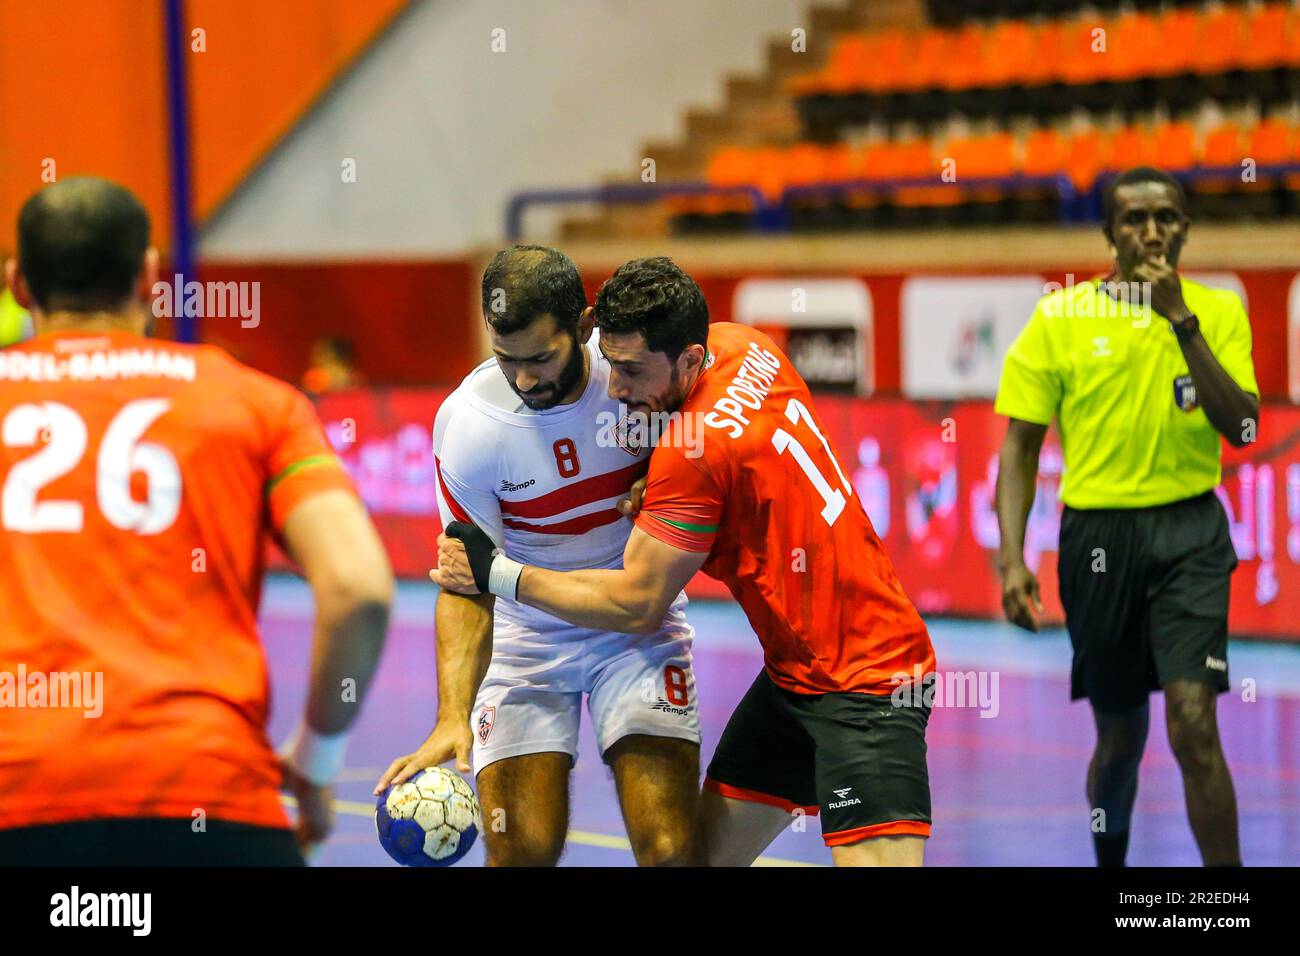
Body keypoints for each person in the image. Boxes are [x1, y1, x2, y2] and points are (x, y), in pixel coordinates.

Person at [435, 256, 936, 867]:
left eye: (632, 372)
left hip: (868, 681)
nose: (617, 391)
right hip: (792, 677)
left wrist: (496, 573)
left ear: (689, 360)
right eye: (613, 366)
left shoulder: (689, 454)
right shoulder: (743, 345)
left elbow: (638, 602)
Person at [0, 177, 393, 865]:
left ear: (19, 285)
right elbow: (358, 587)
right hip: (208, 800)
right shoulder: (251, 401)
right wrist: (317, 760)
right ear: (151, 277)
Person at [376, 246, 701, 867]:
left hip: (636, 628)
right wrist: (452, 715)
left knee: (669, 850)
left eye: (541, 358)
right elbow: (468, 581)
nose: (524, 380)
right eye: (506, 360)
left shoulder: (634, 373)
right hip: (526, 639)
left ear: (585, 327)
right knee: (521, 853)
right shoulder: (470, 426)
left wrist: (660, 485)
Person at [994, 166, 1258, 867]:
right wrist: (1012, 558)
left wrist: (1181, 321)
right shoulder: (1061, 318)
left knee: (1194, 725)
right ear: (1110, 233)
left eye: (1166, 217)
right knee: (1120, 739)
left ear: (1185, 228)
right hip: (1098, 543)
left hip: (1191, 537)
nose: (1151, 231)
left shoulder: (1217, 312)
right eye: (1135, 219)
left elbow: (1244, 430)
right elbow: (1020, 446)